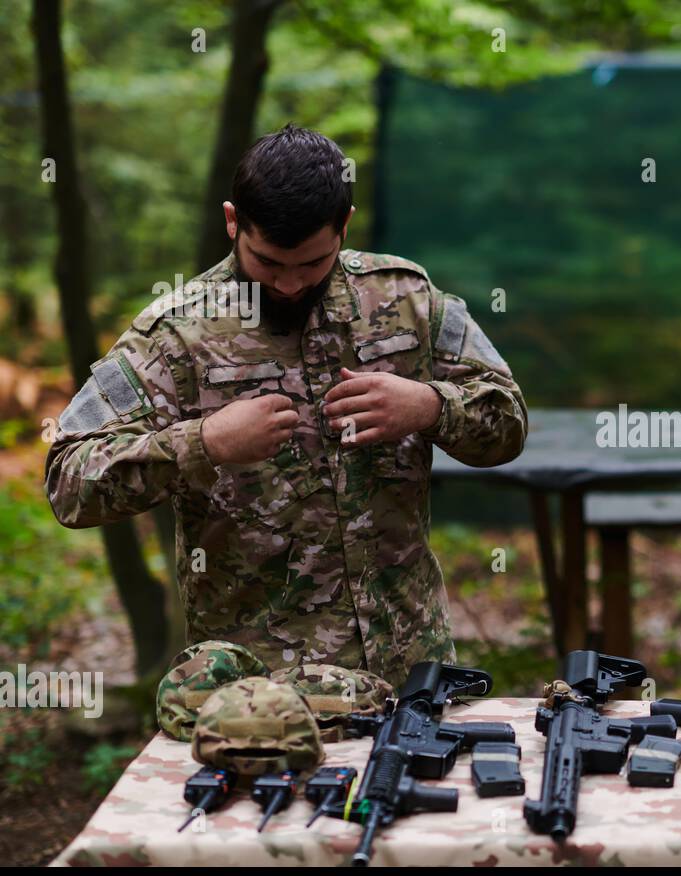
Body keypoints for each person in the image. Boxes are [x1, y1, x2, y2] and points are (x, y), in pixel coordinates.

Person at [45, 124, 527, 686]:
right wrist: (203, 444)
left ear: (344, 227)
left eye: (313, 263)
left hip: (409, 672)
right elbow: (68, 481)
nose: (292, 284)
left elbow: (509, 420)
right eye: (270, 263)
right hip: (258, 699)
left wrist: (431, 407)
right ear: (233, 222)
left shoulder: (407, 300)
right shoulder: (176, 335)